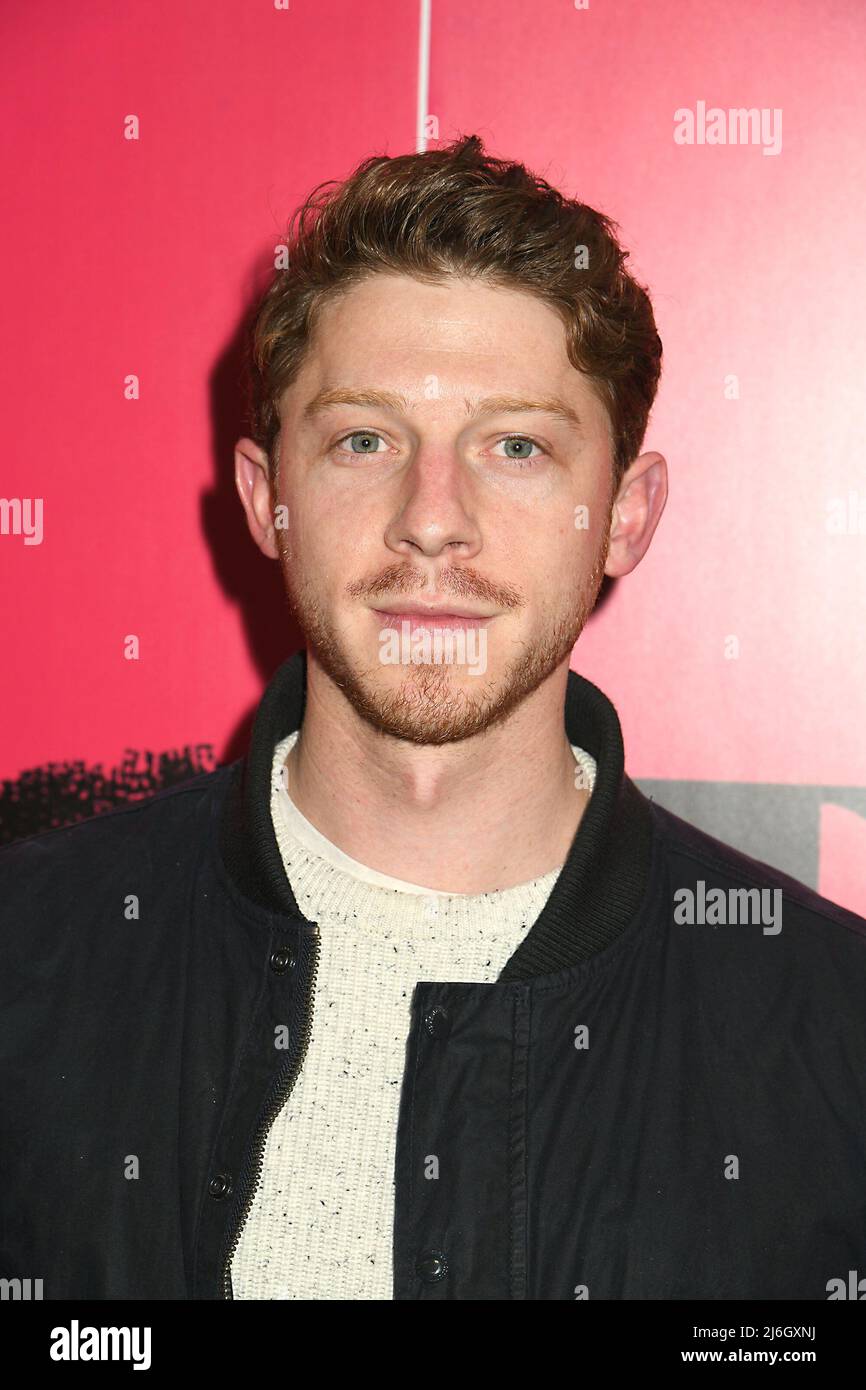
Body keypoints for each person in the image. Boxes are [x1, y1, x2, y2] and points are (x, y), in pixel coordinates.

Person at [1, 134, 864, 1301]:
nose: (431, 519)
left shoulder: (829, 1033)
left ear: (622, 513)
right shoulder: (29, 960)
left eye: (515, 446)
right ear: (269, 499)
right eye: (365, 439)